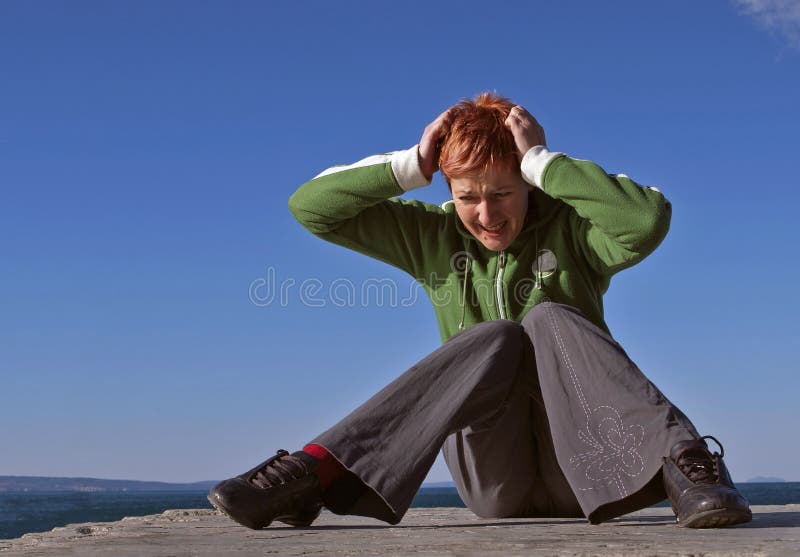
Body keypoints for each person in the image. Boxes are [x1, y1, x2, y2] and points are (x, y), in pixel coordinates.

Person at [208, 93, 752, 529]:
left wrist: (543, 161)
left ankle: (689, 464)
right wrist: (410, 165)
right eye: (469, 197)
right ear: (449, 188)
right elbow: (310, 208)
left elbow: (646, 221)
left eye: (503, 193)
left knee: (549, 317)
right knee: (497, 336)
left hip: (588, 467)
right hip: (495, 482)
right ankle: (317, 472)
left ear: (528, 184)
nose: (486, 215)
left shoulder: (571, 230)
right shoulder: (432, 237)